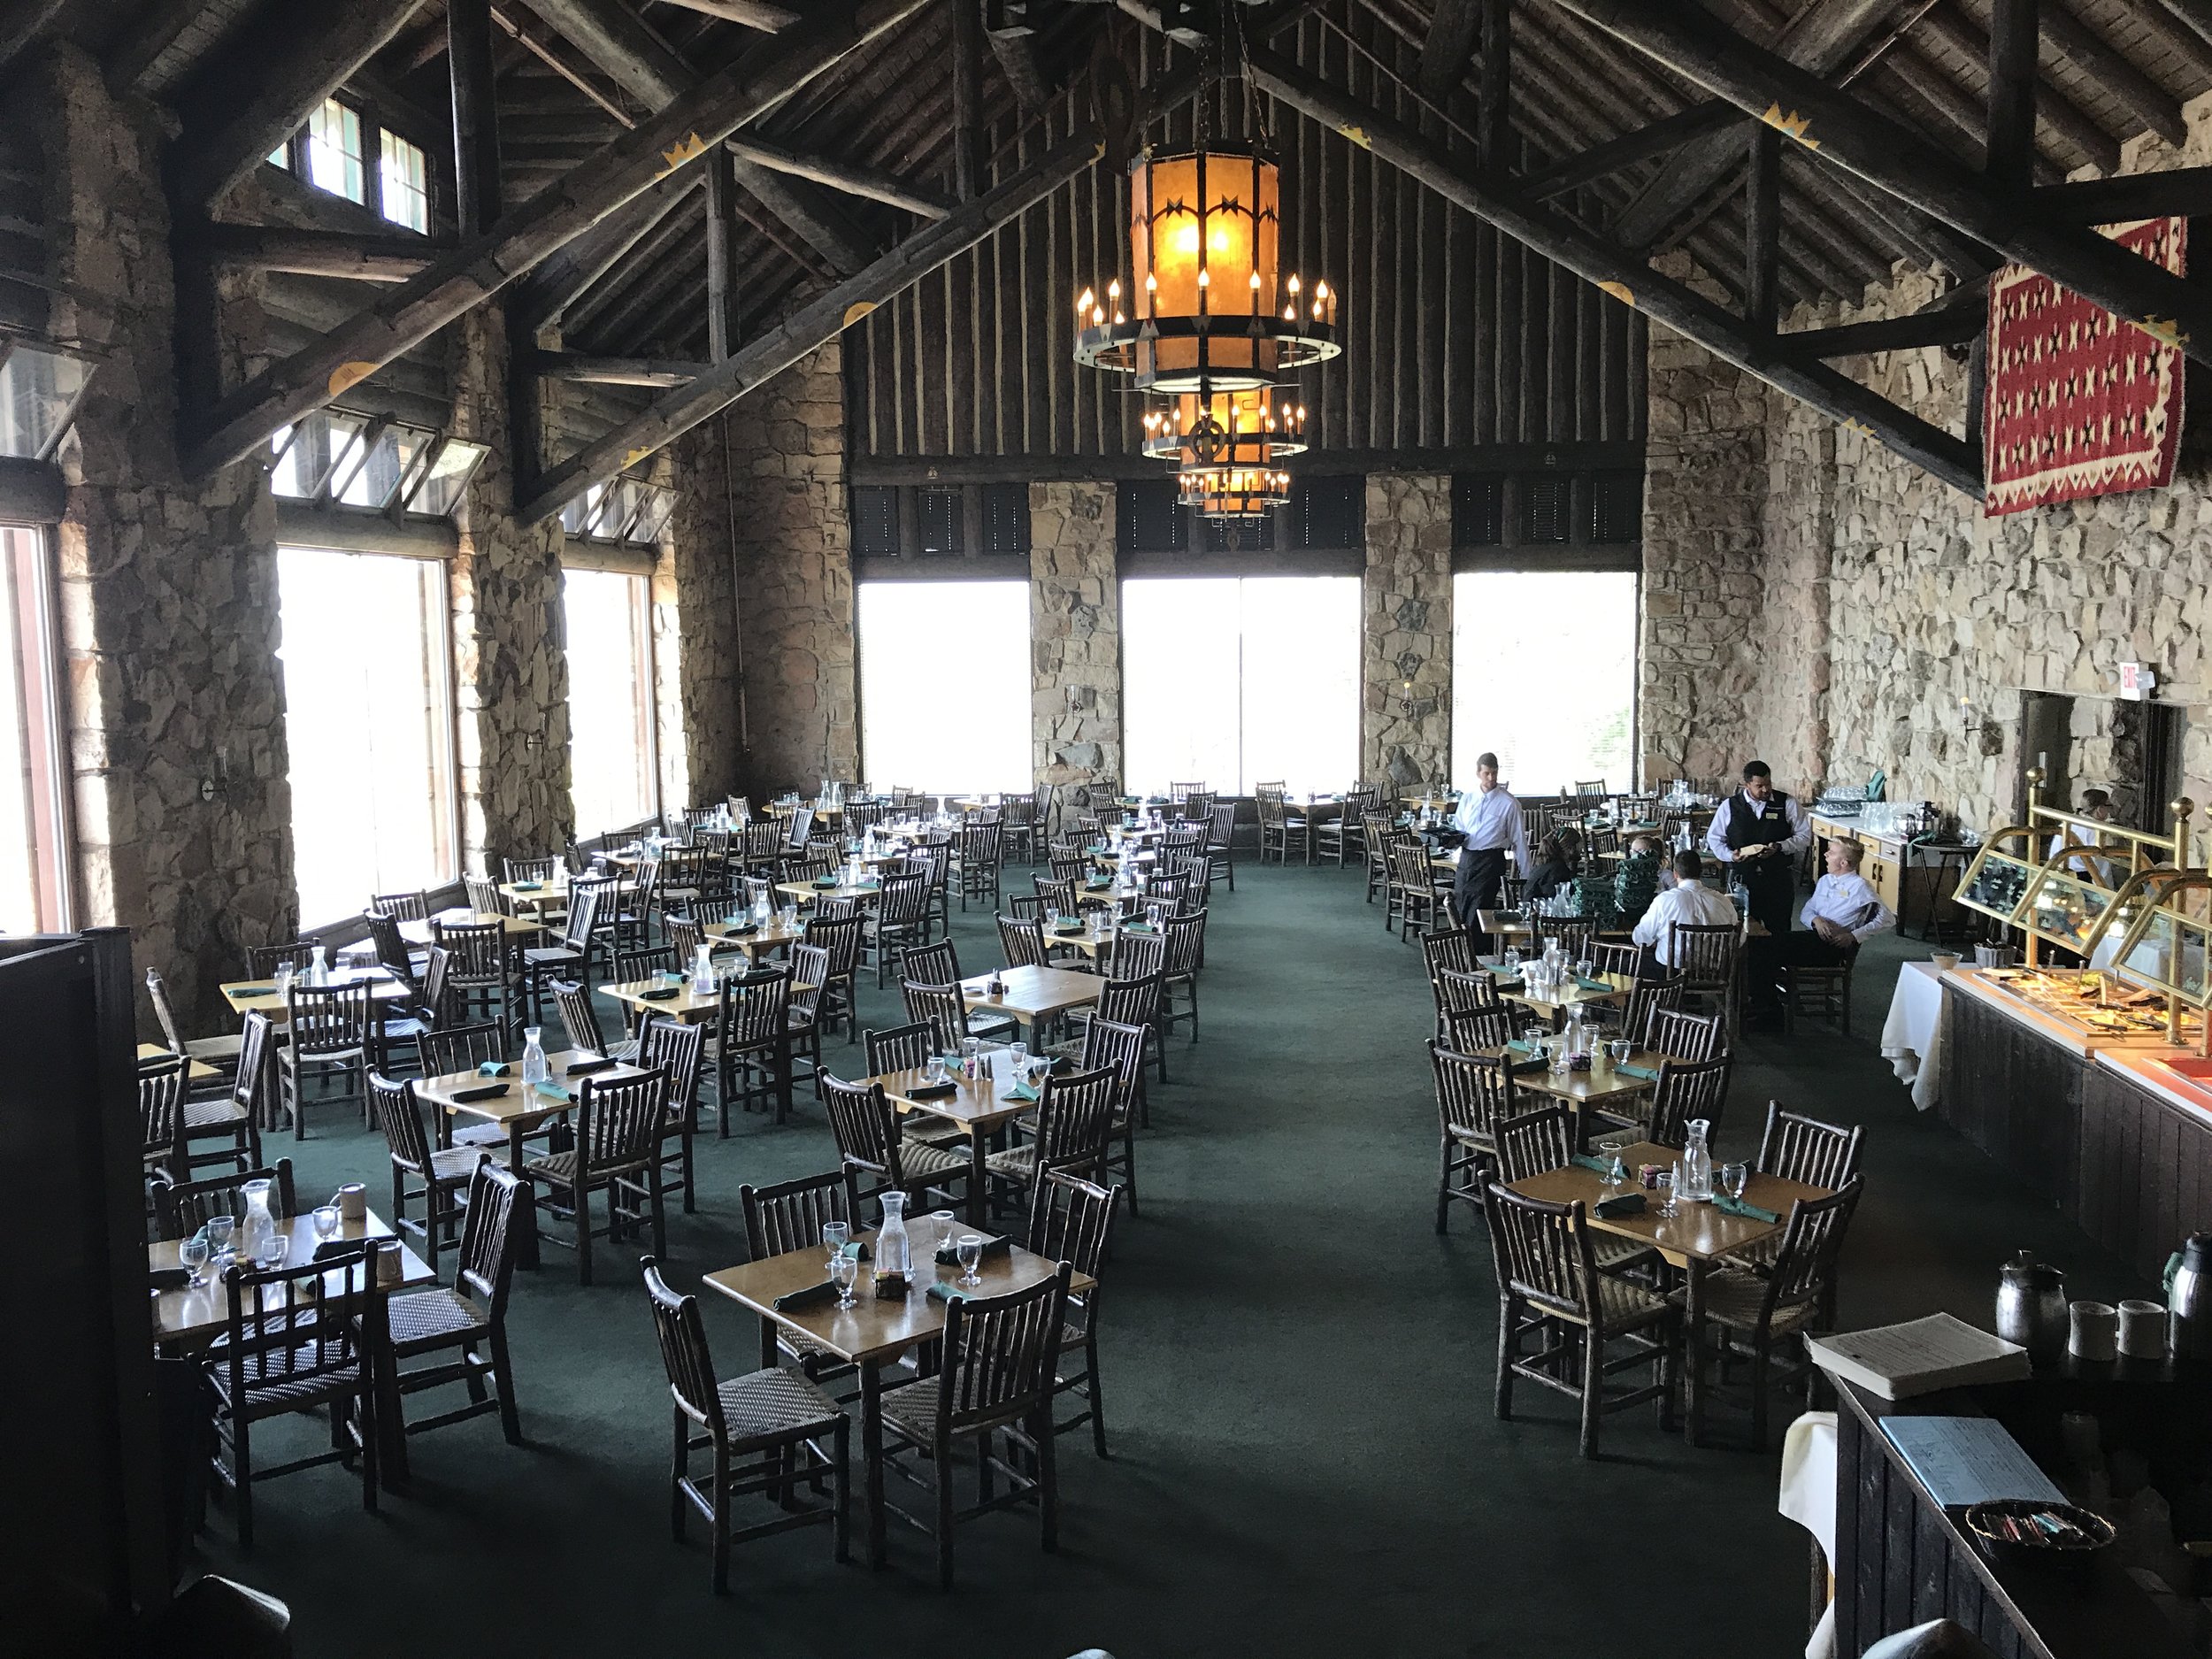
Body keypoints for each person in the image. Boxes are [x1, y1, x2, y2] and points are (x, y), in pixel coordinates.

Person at [1706, 760, 1810, 937]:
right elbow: (1715, 839)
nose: (1765, 789)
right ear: (1747, 784)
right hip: (1742, 880)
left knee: (1780, 929)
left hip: (1778, 878)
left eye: (1768, 784)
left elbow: (1805, 836)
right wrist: (1731, 855)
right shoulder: (1730, 806)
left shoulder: (1787, 803)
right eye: (1759, 786)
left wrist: (1781, 846)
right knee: (1742, 929)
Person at [1449, 751, 1531, 943]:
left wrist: (1527, 875)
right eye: (1487, 773)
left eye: (1494, 773)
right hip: (1467, 859)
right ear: (1478, 773)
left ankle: (1477, 952)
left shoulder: (1509, 803)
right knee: (1460, 904)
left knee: (1479, 909)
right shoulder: (1467, 799)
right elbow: (1458, 829)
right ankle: (1460, 949)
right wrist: (1450, 843)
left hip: (1491, 861)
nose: (1491, 778)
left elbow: (1519, 840)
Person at [1631, 849, 1741, 969]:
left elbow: (1641, 938)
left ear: (1675, 874)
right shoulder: (1722, 901)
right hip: (1715, 971)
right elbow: (1739, 940)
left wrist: (1657, 941)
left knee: (1627, 964)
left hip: (1671, 973)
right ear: (1701, 872)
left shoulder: (1665, 900)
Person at [1614, 833, 1663, 922]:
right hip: (1629, 911)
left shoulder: (1663, 874)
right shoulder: (1626, 874)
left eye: (1640, 851)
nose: (1636, 854)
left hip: (1654, 913)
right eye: (1633, 851)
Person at [1525, 826, 1582, 902]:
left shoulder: (1542, 865)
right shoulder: (1558, 870)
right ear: (1570, 847)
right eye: (1579, 845)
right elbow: (1557, 899)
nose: (1581, 849)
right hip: (1540, 907)